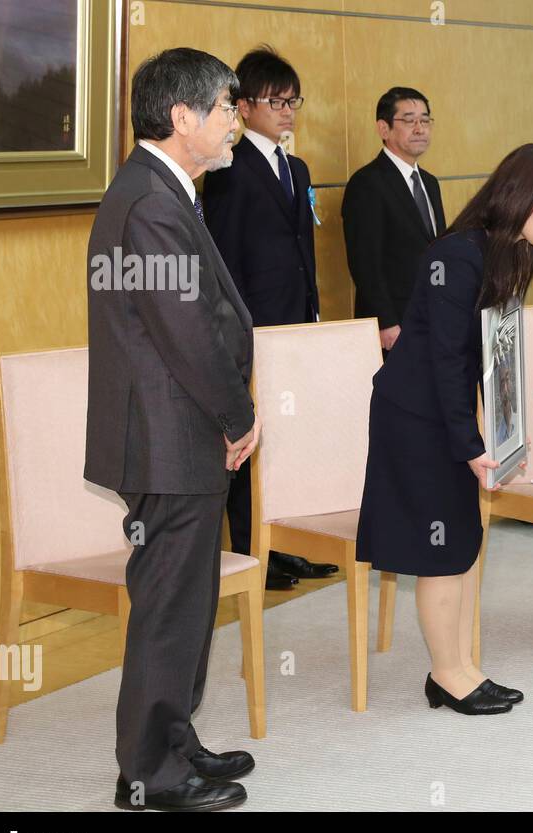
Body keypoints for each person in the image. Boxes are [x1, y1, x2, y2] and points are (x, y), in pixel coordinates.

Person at [84, 48, 259, 811]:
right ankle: (151, 775)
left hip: (177, 432)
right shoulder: (151, 201)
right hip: (169, 435)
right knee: (167, 606)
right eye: (226, 107)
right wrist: (238, 413)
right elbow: (187, 331)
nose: (235, 121)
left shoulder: (159, 187)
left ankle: (174, 740)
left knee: (186, 601)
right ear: (183, 116)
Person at [356, 144, 533, 713]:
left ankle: (459, 668)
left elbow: (495, 362)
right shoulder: (456, 256)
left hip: (449, 415)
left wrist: (503, 439)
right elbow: (447, 361)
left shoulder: (506, 253)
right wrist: (469, 445)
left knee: (461, 545)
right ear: (526, 198)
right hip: (416, 421)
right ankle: (448, 673)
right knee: (443, 551)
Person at [202, 45, 337, 591]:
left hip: (296, 321)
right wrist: (238, 329)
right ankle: (249, 549)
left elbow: (304, 242)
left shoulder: (296, 165)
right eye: (274, 101)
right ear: (244, 106)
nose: (286, 111)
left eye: (292, 101)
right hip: (255, 326)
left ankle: (283, 543)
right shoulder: (229, 169)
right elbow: (224, 256)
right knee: (251, 436)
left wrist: (314, 305)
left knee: (288, 438)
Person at [342, 86, 446, 354]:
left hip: (431, 317)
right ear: (383, 128)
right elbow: (365, 262)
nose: (420, 128)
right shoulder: (367, 183)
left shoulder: (430, 184)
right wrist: (386, 322)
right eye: (409, 120)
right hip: (393, 326)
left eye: (425, 120)